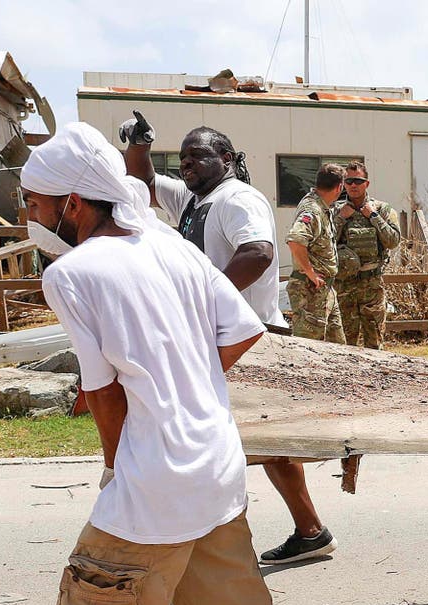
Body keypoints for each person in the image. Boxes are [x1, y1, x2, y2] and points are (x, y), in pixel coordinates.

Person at [0, 124, 290, 605]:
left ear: (72, 203)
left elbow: (105, 394)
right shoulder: (169, 244)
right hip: (215, 466)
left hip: (155, 483)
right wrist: (187, 389)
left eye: (34, 203)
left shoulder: (70, 275)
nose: (28, 216)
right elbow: (243, 327)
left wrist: (117, 471)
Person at [120, 112, 336, 565]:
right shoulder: (195, 200)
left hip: (249, 340)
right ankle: (310, 532)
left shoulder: (238, 199)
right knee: (270, 445)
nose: (187, 165)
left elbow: (258, 254)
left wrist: (204, 300)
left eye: (197, 155)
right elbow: (143, 179)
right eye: (182, 159)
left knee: (217, 445)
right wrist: (138, 141)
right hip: (224, 341)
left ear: (228, 158)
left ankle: (213, 557)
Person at [333, 161, 402, 349]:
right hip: (344, 286)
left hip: (371, 285)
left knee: (374, 341)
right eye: (349, 181)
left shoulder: (382, 209)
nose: (353, 185)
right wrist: (341, 219)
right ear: (343, 184)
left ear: (367, 183)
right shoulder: (335, 210)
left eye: (358, 180)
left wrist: (373, 217)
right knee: (344, 344)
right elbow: (325, 243)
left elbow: (393, 241)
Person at [286, 163, 346, 343]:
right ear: (339, 187)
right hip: (310, 291)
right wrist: (310, 272)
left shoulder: (322, 206)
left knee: (338, 346)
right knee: (309, 348)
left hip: (325, 290)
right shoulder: (312, 209)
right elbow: (296, 240)